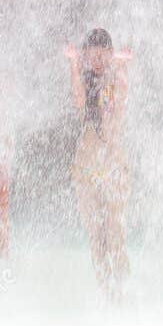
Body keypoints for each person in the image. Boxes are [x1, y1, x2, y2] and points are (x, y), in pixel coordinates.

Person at [64, 29, 131, 296]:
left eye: (104, 53)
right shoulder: (83, 81)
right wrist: (72, 64)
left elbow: (118, 104)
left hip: (114, 168)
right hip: (86, 169)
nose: (98, 59)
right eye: (93, 54)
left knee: (115, 235)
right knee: (96, 237)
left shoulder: (115, 81)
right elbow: (79, 101)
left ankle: (124, 290)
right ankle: (106, 292)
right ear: (87, 56)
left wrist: (121, 67)